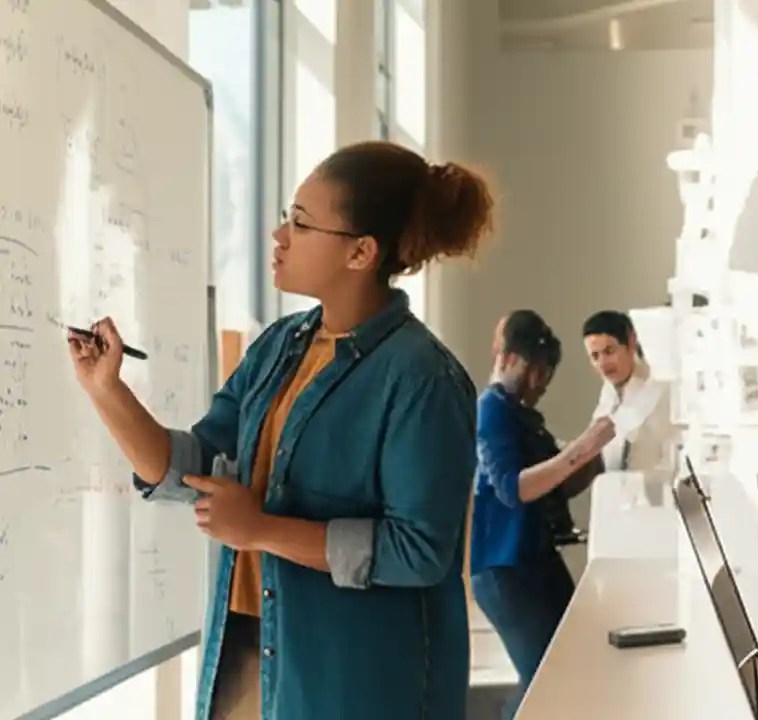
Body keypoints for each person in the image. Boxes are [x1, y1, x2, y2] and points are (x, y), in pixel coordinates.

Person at [67, 141, 491, 720]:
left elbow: (418, 552)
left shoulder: (422, 378)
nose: (278, 235)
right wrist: (107, 390)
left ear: (361, 252)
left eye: (301, 222)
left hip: (355, 688)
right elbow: (195, 468)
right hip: (250, 656)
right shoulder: (279, 346)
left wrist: (260, 528)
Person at [471, 311, 614, 720]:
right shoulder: (492, 410)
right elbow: (515, 488)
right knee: (542, 678)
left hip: (537, 559)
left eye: (546, 374)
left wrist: (594, 456)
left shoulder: (521, 414)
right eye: (535, 372)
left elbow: (557, 484)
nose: (541, 384)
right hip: (505, 570)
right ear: (509, 358)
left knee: (572, 663)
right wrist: (582, 448)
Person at [583, 310, 676, 503]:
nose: (603, 363)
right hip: (617, 505)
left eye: (609, 351)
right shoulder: (608, 395)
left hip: (655, 506)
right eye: (595, 356)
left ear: (631, 342)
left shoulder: (661, 389)